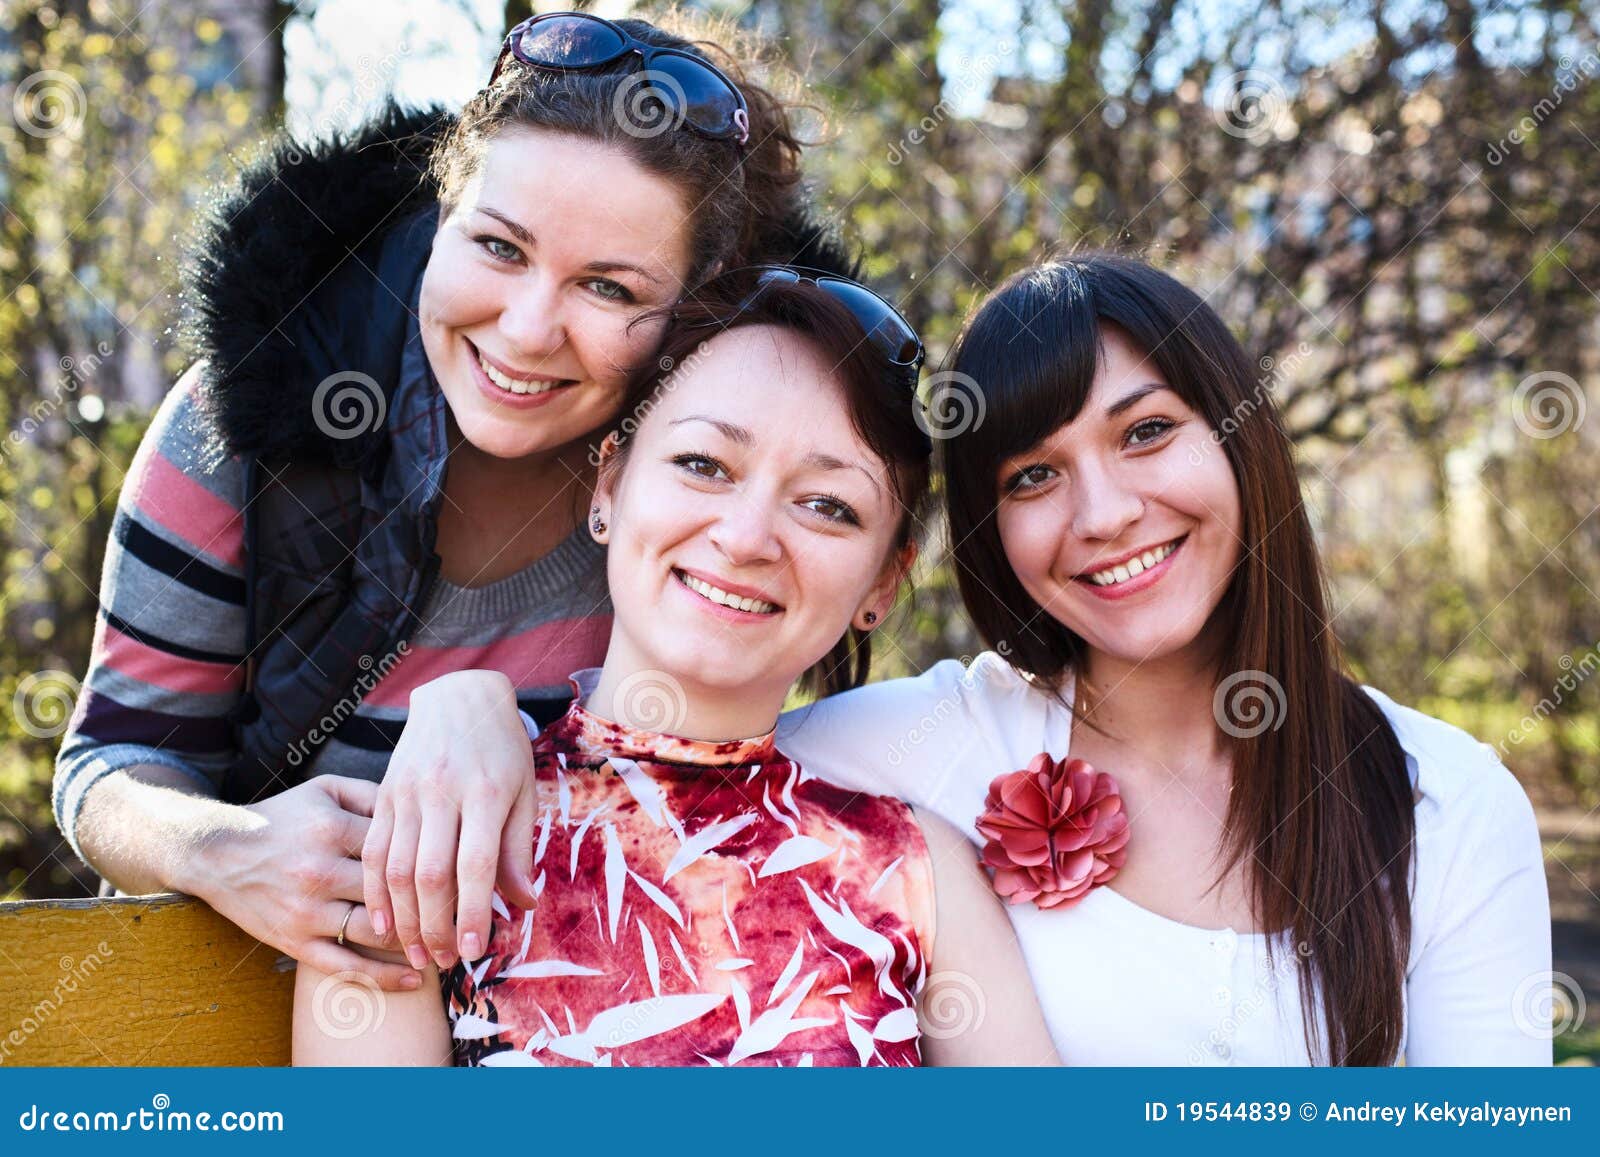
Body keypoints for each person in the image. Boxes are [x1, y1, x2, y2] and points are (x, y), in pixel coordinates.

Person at [380, 254, 1552, 1066]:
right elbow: (680, 743)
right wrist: (463, 711)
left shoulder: (1444, 801)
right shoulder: (904, 748)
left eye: (1147, 432)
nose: (1104, 512)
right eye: (1034, 473)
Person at [53, 9, 841, 993]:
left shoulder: (712, 521)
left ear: (695, 308)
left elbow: (712, 813)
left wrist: (498, 728)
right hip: (213, 1025)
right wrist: (225, 847)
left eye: (605, 286)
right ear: (442, 214)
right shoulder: (249, 421)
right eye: (500, 248)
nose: (524, 328)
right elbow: (110, 767)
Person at [292, 269, 1058, 1066]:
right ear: (611, 485)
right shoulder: (433, 838)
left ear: (884, 582)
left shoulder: (911, 874)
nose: (748, 535)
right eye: (704, 464)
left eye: (828, 505)